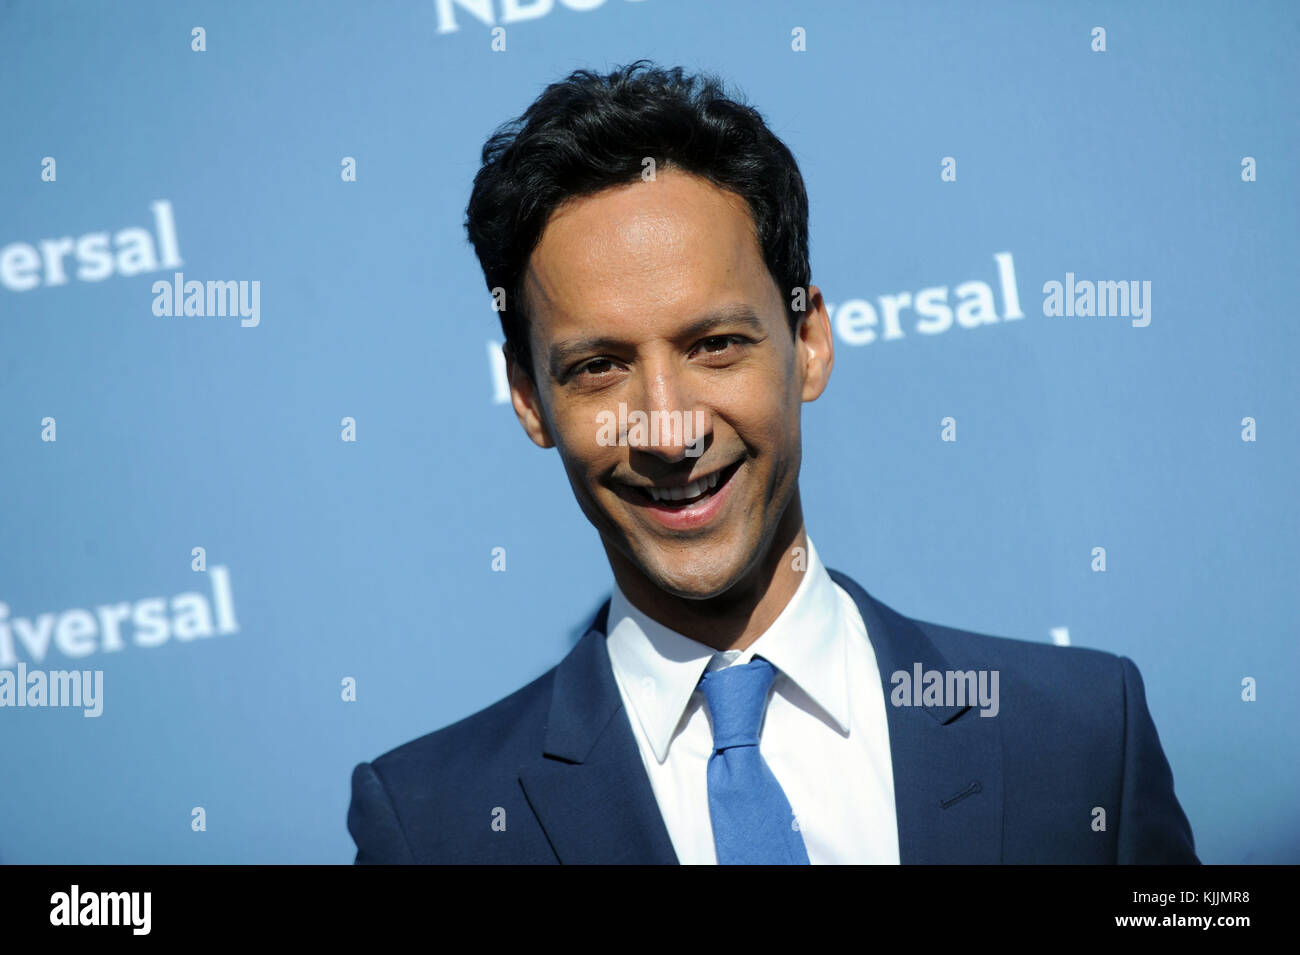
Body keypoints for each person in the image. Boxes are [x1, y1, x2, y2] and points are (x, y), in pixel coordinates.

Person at [347, 61, 1198, 864]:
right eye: (599, 366)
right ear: (530, 398)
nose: (668, 429)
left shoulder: (1082, 737)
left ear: (810, 340)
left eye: (715, 345)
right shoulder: (434, 825)